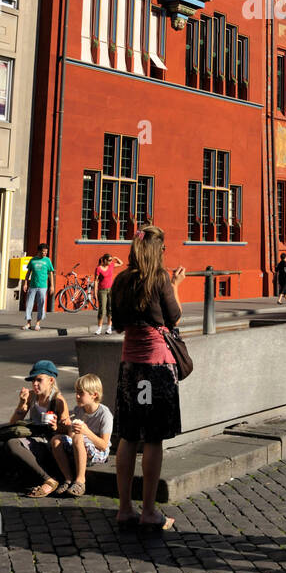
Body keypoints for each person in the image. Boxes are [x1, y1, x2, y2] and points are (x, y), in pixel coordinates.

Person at [110, 225, 185, 529]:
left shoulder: (120, 280)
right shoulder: (160, 279)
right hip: (157, 368)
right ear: (157, 251)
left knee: (128, 436)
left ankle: (125, 507)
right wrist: (177, 284)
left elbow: (116, 324)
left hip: (130, 366)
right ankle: (149, 511)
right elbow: (175, 316)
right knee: (153, 439)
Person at [0, 360, 72, 496]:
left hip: (49, 442)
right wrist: (22, 404)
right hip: (34, 438)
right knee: (1, 451)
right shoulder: (32, 396)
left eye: (39, 380)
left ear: (51, 380)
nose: (35, 384)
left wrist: (56, 426)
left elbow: (67, 431)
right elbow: (13, 424)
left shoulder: (58, 400)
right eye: (33, 380)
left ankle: (49, 480)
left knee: (12, 444)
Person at [49, 373, 113, 497]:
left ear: (94, 395)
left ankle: (80, 481)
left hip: (99, 451)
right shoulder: (79, 410)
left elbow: (104, 445)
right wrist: (63, 427)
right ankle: (68, 478)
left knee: (79, 437)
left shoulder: (104, 414)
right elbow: (72, 436)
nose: (77, 396)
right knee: (56, 440)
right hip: (80, 446)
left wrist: (86, 431)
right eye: (76, 392)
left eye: (81, 393)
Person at [22, 244, 55, 330]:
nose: (45, 253)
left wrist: (52, 286)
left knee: (41, 305)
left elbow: (50, 273)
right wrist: (25, 284)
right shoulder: (33, 260)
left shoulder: (47, 260)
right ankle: (28, 324)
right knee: (29, 304)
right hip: (32, 286)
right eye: (43, 251)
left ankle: (37, 323)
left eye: (46, 252)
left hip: (43, 287)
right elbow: (28, 273)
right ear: (39, 251)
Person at [94, 253, 122, 334]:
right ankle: (99, 328)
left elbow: (121, 263)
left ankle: (109, 328)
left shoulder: (111, 265)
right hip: (102, 290)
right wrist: (95, 292)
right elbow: (96, 280)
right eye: (109, 260)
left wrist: (116, 258)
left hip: (110, 290)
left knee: (110, 309)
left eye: (111, 260)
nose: (110, 261)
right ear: (105, 260)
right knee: (102, 310)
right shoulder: (98, 268)